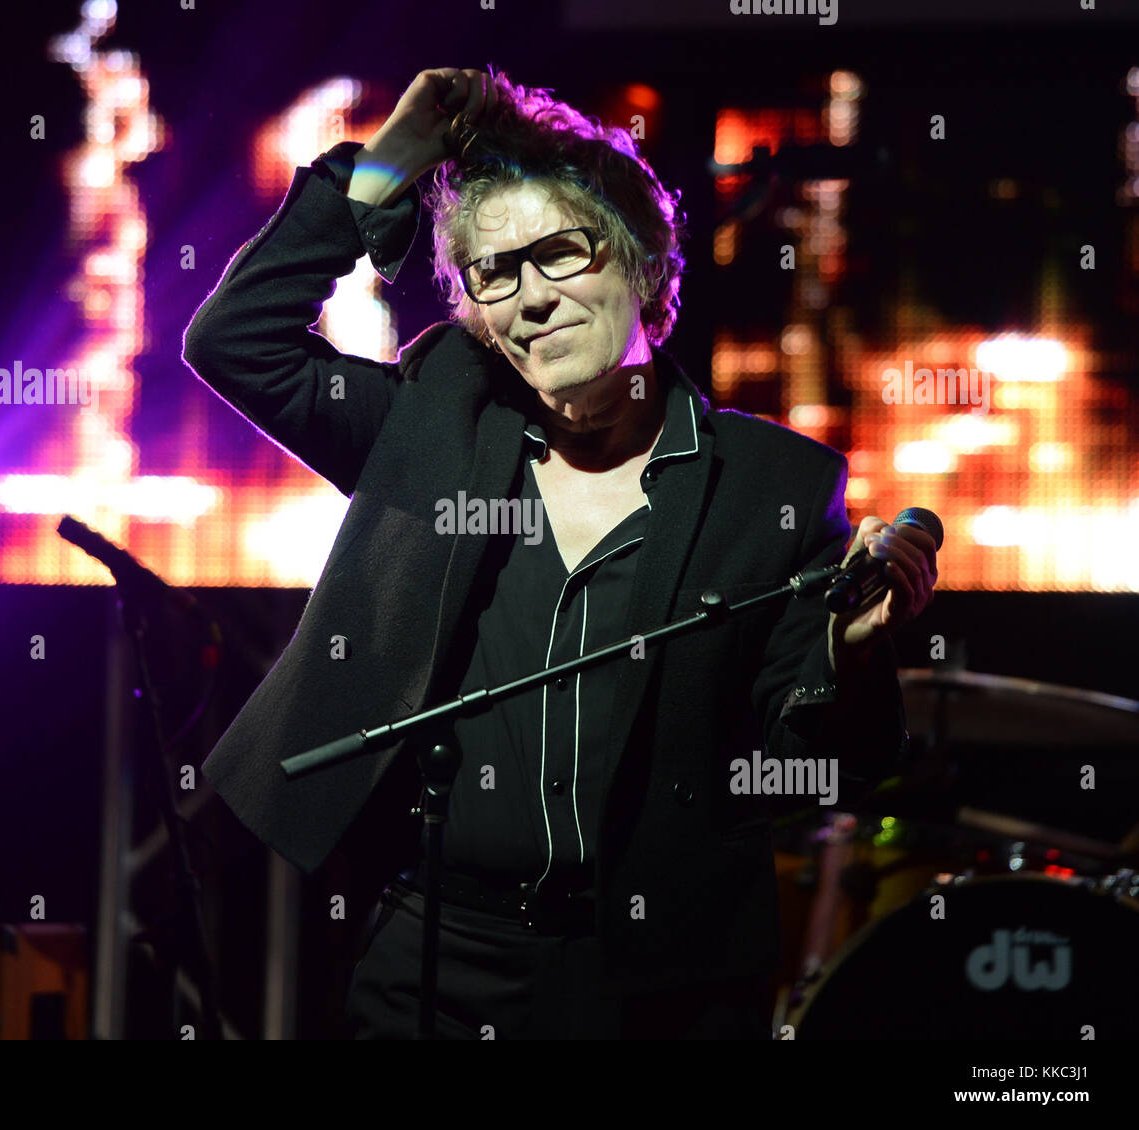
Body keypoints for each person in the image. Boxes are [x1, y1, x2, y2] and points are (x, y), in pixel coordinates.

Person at [182, 66, 939, 1039]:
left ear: (645, 268)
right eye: (495, 274)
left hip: (656, 986)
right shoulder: (431, 428)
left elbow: (819, 769)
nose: (529, 297)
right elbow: (236, 341)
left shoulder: (772, 488)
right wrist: (386, 164)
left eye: (559, 257)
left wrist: (853, 645)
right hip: (430, 964)